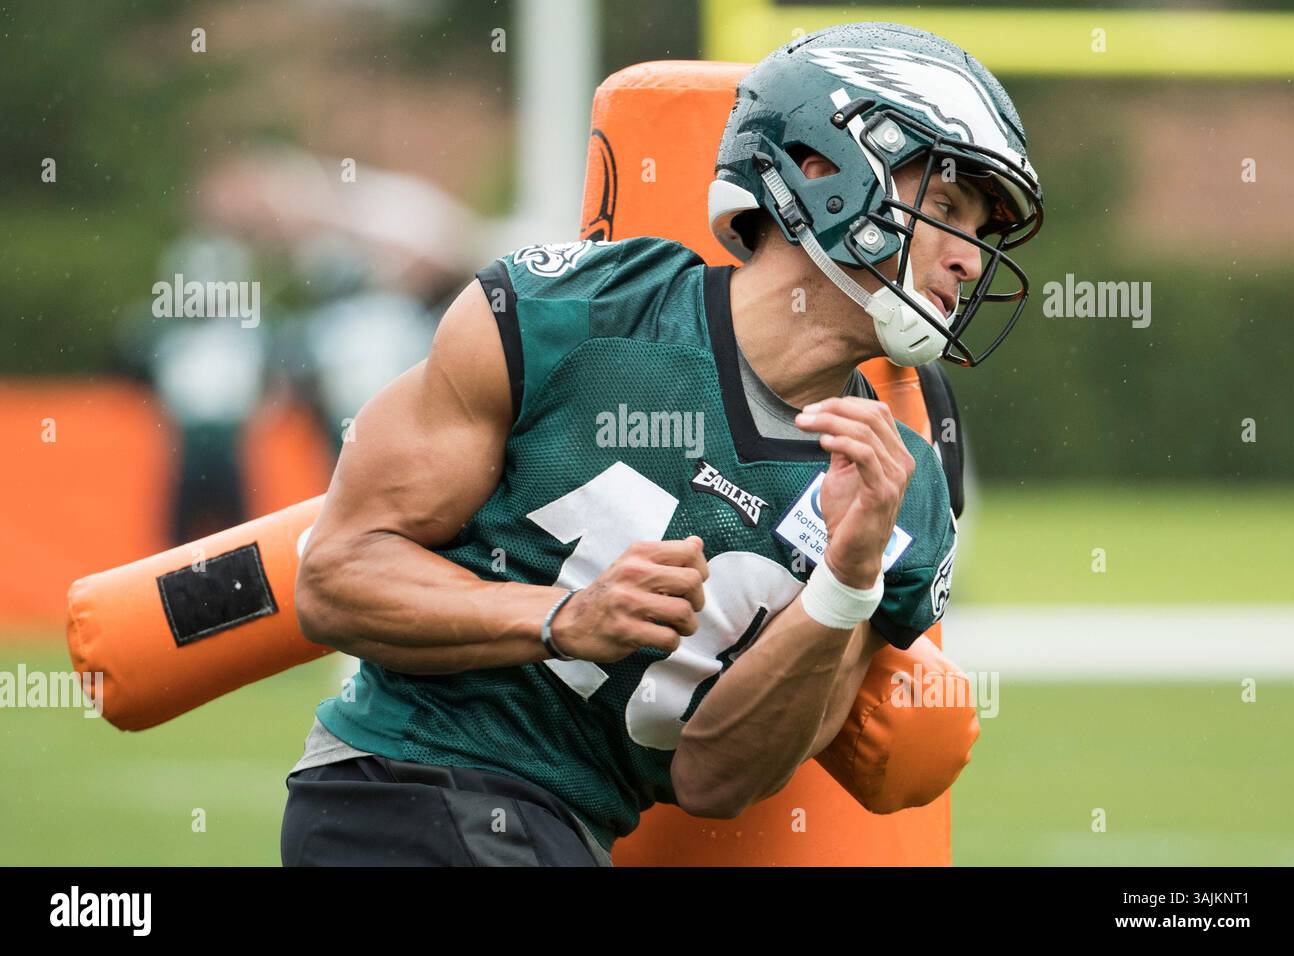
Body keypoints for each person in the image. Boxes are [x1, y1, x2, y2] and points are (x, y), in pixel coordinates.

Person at [280, 21, 1044, 866]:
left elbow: (717, 777)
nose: (969, 260)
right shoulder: (578, 311)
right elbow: (336, 579)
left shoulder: (904, 493)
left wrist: (847, 580)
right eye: (944, 207)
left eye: (980, 228)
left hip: (568, 835)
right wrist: (562, 617)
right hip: (404, 784)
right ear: (824, 170)